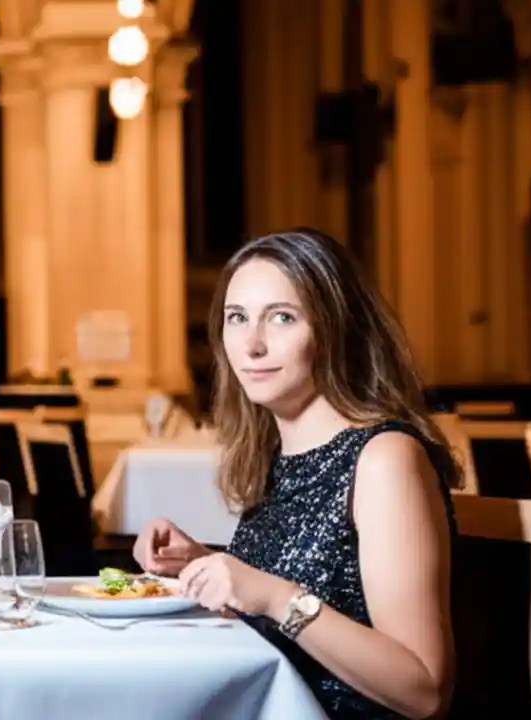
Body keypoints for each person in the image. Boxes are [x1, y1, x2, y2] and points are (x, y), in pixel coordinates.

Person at [133, 229, 458, 719]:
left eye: (281, 318)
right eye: (236, 318)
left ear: (334, 330)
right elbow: (304, 584)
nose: (253, 344)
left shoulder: (385, 459)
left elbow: (424, 690)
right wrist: (198, 562)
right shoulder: (278, 453)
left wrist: (271, 596)